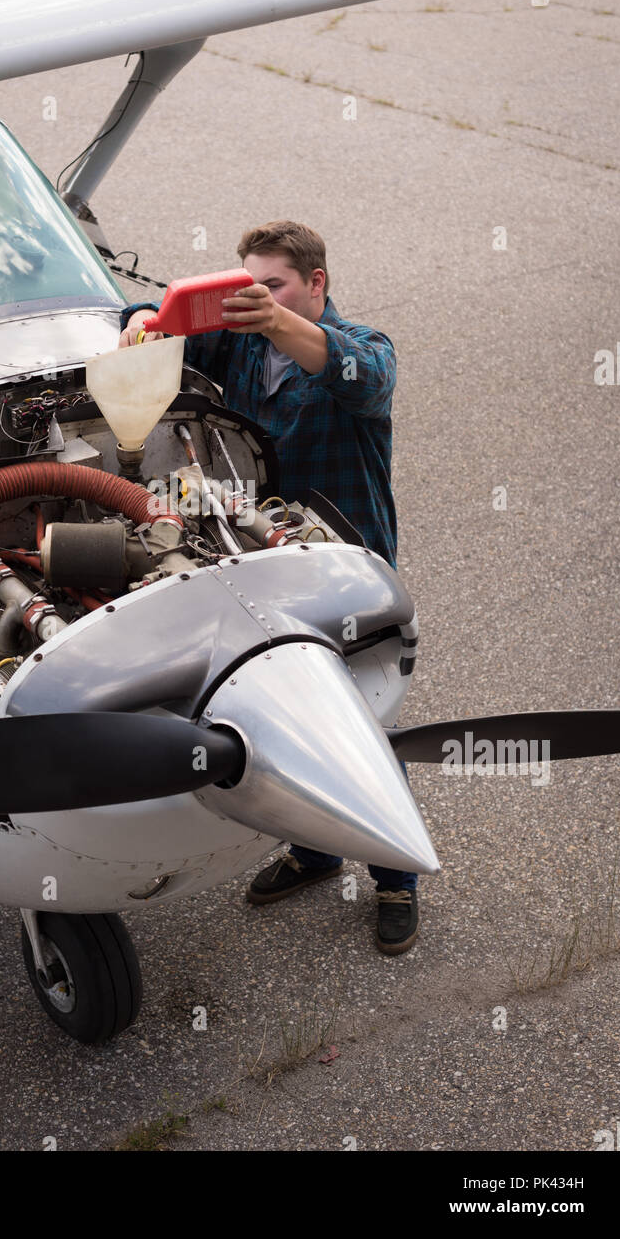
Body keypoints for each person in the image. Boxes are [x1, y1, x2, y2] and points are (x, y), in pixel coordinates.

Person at [118, 220, 418, 954]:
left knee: (352, 723)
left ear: (316, 283)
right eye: (246, 283)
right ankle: (315, 854)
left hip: (343, 568)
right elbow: (161, 337)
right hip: (254, 557)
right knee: (277, 716)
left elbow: (359, 377)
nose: (256, 298)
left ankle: (396, 878)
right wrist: (137, 324)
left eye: (273, 285)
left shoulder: (363, 347)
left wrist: (273, 318)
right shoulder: (237, 342)